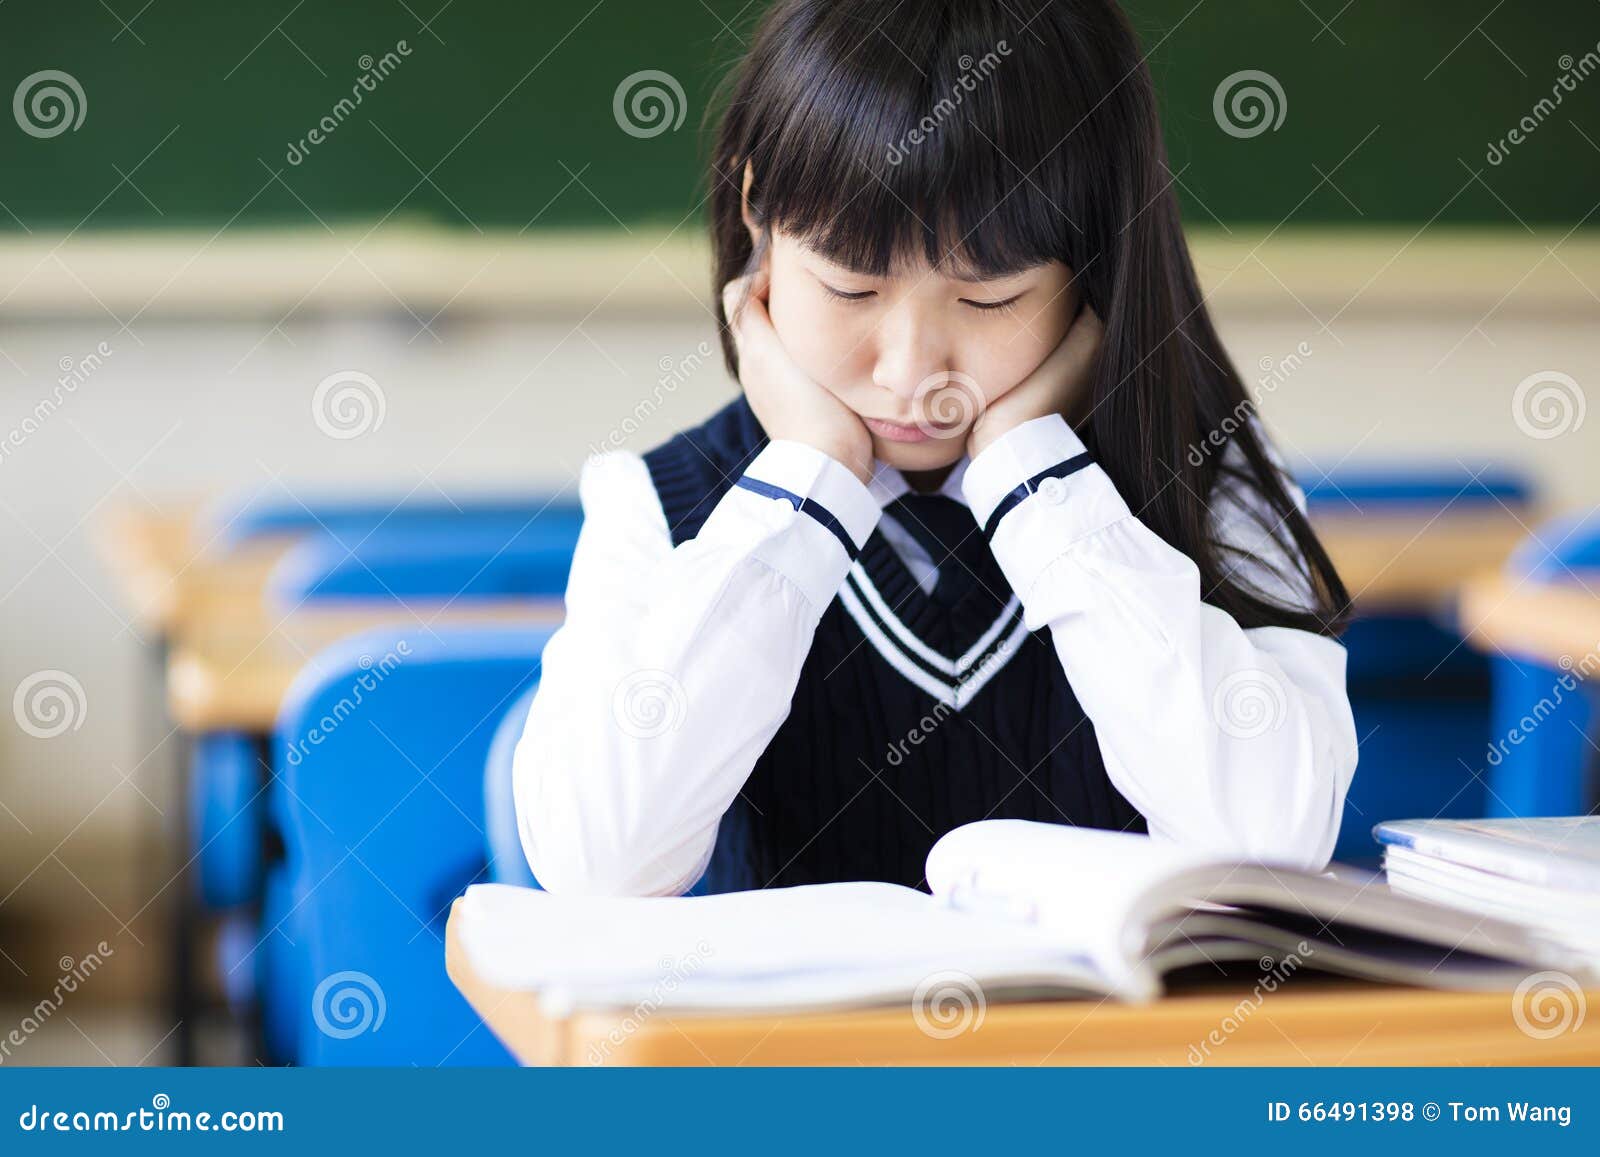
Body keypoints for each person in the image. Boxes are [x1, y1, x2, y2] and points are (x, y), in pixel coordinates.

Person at [513, 0, 1358, 897]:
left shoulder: (1210, 477)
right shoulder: (661, 505)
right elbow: (599, 863)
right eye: (850, 287)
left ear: (1097, 257)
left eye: (990, 300)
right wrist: (810, 477)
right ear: (756, 209)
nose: (913, 373)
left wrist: (1031, 481)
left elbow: (1271, 846)